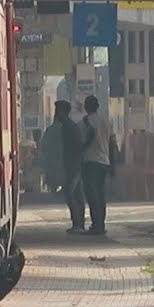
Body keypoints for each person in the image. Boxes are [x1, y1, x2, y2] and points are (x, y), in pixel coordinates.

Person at [40, 100, 86, 234]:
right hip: (75, 165)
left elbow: (48, 145)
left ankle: (77, 223)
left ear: (61, 111)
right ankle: (79, 223)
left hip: (70, 166)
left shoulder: (64, 127)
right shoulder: (72, 126)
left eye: (57, 110)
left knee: (70, 194)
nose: (55, 113)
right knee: (77, 194)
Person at [80, 95, 116, 236]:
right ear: (98, 106)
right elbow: (112, 144)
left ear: (86, 107)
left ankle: (96, 226)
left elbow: (81, 144)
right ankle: (101, 224)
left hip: (90, 162)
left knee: (92, 195)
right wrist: (112, 165)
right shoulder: (106, 122)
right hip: (104, 162)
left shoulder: (84, 123)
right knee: (101, 195)